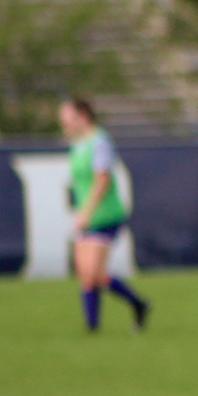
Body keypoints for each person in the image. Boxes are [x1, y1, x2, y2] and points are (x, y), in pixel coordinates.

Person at [60, 97, 150, 333]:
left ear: (83, 117)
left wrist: (86, 212)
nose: (64, 125)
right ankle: (96, 324)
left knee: (92, 272)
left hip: (104, 215)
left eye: (68, 119)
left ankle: (133, 306)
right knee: (87, 274)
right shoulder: (78, 144)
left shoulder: (99, 142)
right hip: (86, 214)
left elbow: (102, 179)